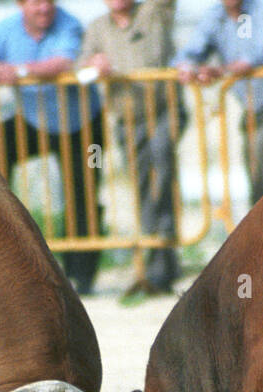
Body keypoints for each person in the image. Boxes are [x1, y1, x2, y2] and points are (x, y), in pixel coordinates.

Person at [0, 0, 104, 295]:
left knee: (83, 195)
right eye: (36, 2)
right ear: (21, 5)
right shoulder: (5, 28)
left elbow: (62, 63)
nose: (44, 8)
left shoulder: (70, 23)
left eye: (48, 2)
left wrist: (17, 71)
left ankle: (81, 278)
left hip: (82, 123)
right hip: (35, 119)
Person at [81, 0, 180, 296]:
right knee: (142, 187)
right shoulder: (97, 27)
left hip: (164, 111)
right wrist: (93, 65)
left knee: (161, 177)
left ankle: (162, 265)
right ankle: (157, 263)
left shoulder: (154, 12)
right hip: (127, 119)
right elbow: (82, 63)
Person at [174, 0, 263, 206]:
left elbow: (262, 53)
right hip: (254, 107)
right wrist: (187, 67)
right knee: (256, 161)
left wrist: (220, 71)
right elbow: (189, 53)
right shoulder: (215, 15)